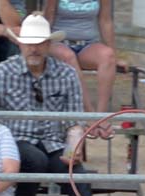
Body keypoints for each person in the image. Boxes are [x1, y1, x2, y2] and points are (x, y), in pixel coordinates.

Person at [0, 12, 91, 196]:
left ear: (48, 45)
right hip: (16, 143)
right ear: (20, 45)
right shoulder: (2, 72)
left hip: (54, 144)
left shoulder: (67, 74)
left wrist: (72, 151)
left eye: (39, 43)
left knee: (78, 176)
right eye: (29, 43)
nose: (34, 48)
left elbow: (75, 121)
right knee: (34, 161)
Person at [45, 0, 118, 137]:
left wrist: (114, 52)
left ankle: (101, 116)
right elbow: (49, 16)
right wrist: (41, 45)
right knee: (69, 57)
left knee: (108, 56)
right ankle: (88, 113)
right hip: (59, 42)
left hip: (88, 43)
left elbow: (105, 20)